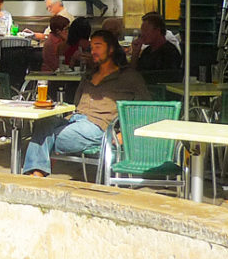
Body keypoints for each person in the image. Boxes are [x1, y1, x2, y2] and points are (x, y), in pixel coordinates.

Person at [23, 29, 149, 176]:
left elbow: (146, 108)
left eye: (98, 46)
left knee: (48, 136)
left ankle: (36, 173)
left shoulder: (129, 77)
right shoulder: (89, 75)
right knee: (42, 123)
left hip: (98, 125)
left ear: (111, 49)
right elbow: (76, 103)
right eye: (91, 47)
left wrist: (125, 133)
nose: (93, 51)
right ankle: (37, 173)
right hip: (75, 119)